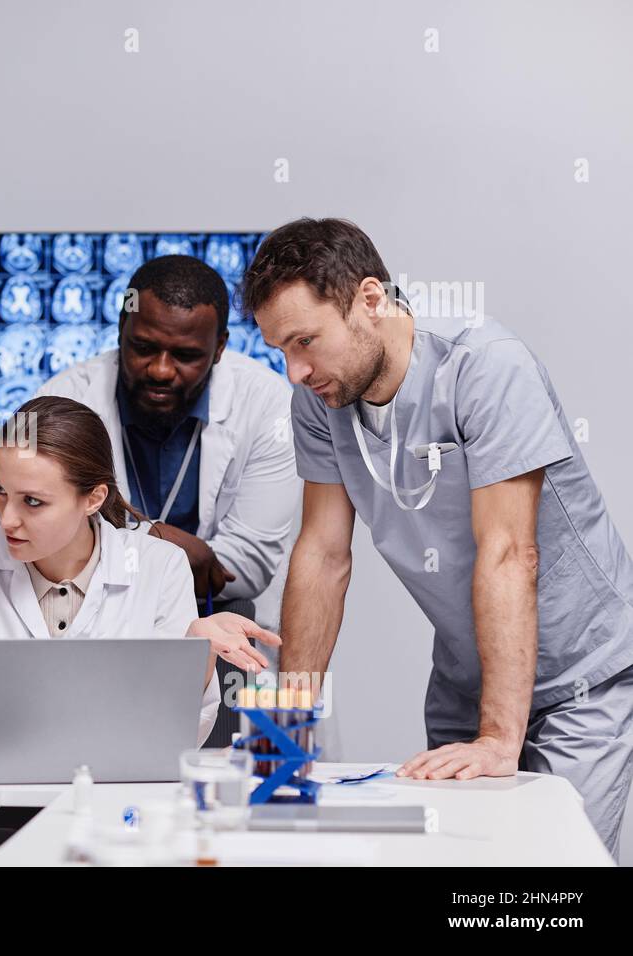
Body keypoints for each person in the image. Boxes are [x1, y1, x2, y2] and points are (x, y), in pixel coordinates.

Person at [243, 216, 633, 856]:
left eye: (306, 341)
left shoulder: (486, 367)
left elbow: (510, 554)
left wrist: (499, 739)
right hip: (467, 671)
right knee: (462, 870)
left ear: (370, 299)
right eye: (280, 349)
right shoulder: (322, 398)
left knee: (550, 882)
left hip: (577, 676)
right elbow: (322, 555)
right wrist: (288, 724)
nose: (295, 371)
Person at [0, 395, 280, 757]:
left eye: (32, 501)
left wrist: (196, 655)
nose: (7, 519)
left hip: (118, 803)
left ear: (94, 498)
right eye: (0, 491)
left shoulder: (159, 566)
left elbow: (176, 740)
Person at [37, 254, 298, 614]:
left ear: (219, 348)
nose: (160, 370)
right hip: (94, 622)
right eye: (143, 348)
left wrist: (115, 552)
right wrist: (156, 538)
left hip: (218, 619)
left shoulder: (269, 405)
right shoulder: (61, 402)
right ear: (120, 330)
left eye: (185, 355)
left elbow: (247, 565)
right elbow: (48, 544)